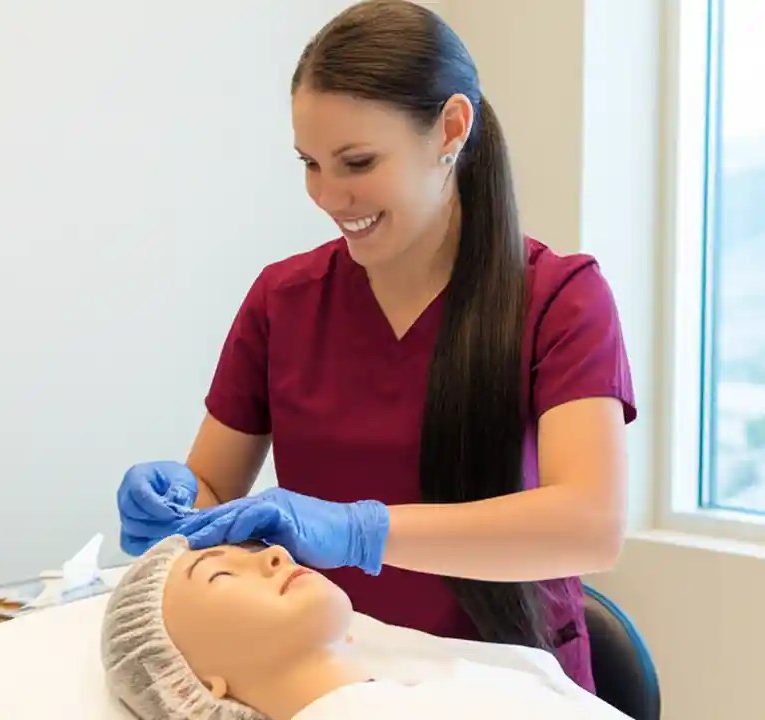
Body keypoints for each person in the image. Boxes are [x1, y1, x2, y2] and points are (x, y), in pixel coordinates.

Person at [115, 0, 636, 693]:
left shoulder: (560, 299)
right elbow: (214, 490)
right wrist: (178, 503)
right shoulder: (282, 301)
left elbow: (588, 527)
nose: (329, 195)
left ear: (451, 129)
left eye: (357, 161)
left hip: (503, 682)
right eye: (310, 163)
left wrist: (363, 531)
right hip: (331, 680)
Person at [99, 536, 633, 720]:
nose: (275, 556)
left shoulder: (440, 683)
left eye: (255, 551)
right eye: (219, 573)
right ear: (188, 685)